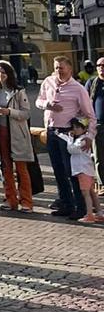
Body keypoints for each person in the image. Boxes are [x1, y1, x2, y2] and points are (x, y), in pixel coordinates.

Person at [39, 55, 96, 220]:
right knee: (58, 171)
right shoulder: (48, 82)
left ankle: (81, 207)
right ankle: (66, 203)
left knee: (72, 171)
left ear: (70, 69)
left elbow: (90, 115)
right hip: (51, 131)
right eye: (56, 67)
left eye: (61, 68)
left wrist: (89, 136)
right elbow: (39, 100)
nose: (58, 71)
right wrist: (46, 105)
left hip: (67, 134)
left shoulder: (78, 88)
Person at [0, 61, 34, 213]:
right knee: (5, 167)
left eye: (3, 73)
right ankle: (10, 199)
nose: (1, 76)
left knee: (21, 168)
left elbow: (26, 113)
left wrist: (10, 112)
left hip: (16, 133)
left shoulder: (18, 91)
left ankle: (26, 201)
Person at [64, 115, 101, 223]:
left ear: (84, 129)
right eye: (74, 127)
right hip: (86, 170)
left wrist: (69, 139)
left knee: (86, 193)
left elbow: (71, 149)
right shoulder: (82, 139)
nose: (74, 130)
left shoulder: (82, 140)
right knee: (92, 192)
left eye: (77, 127)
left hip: (83, 170)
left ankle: (89, 214)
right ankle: (99, 212)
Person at [88, 55, 104, 183]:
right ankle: (102, 183)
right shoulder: (92, 83)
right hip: (97, 124)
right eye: (99, 66)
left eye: (103, 66)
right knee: (99, 156)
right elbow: (85, 102)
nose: (101, 68)